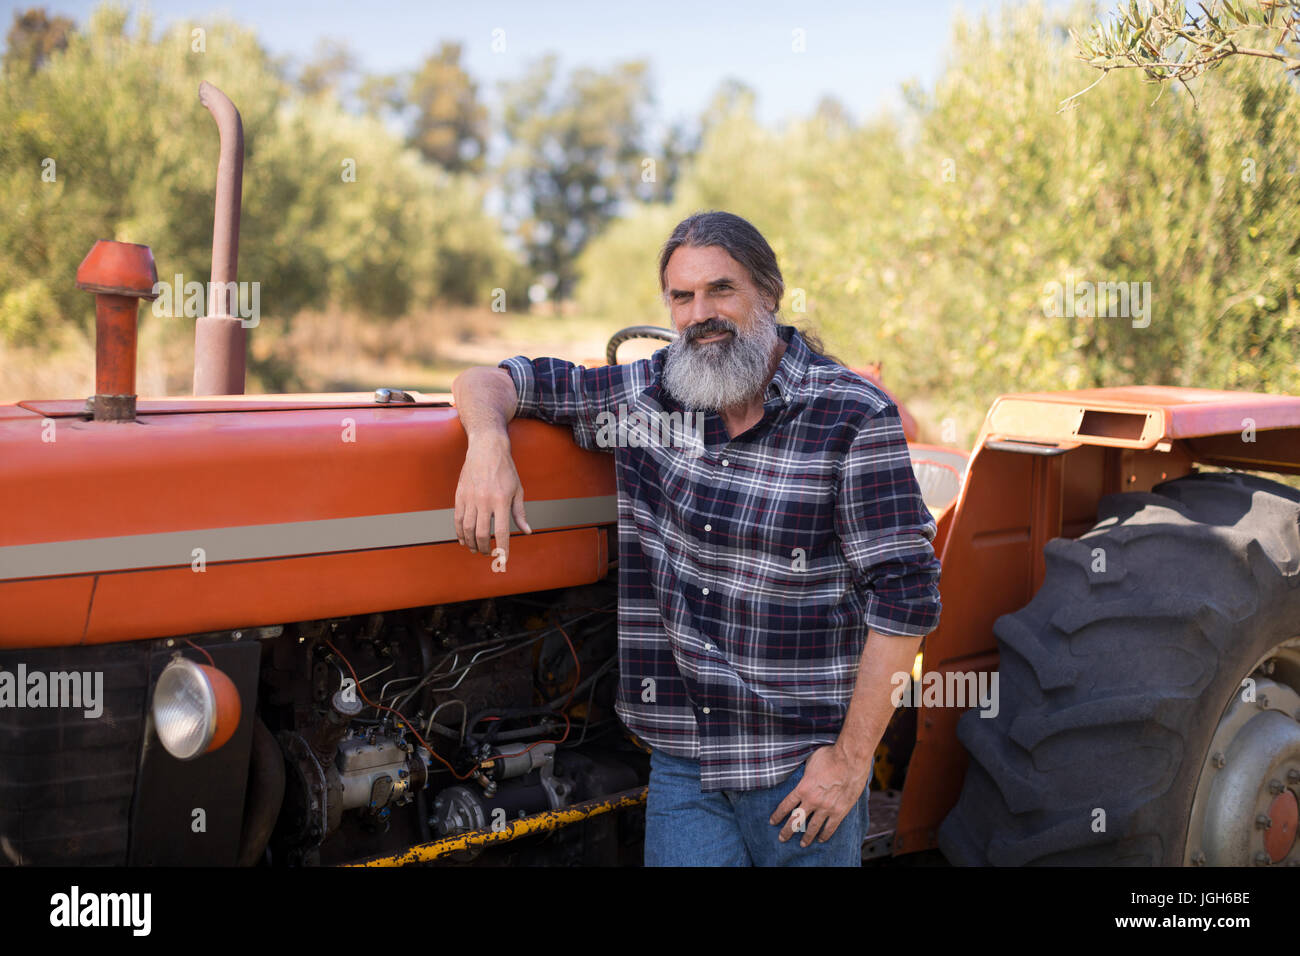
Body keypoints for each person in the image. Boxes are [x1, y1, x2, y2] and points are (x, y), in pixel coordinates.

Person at [451, 210, 941, 866]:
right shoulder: (651, 394)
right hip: (687, 764)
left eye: (720, 290)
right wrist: (486, 441)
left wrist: (850, 763)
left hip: (801, 768)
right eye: (681, 297)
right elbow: (492, 381)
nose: (698, 313)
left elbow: (904, 599)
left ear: (769, 294)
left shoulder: (851, 416)